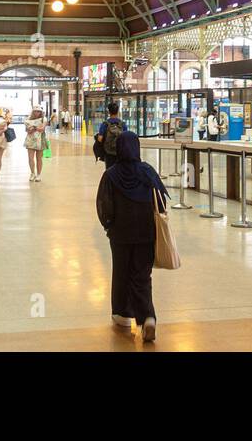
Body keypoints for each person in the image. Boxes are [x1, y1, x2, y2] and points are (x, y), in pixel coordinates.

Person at [96, 131, 168, 343]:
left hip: (120, 234)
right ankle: (148, 317)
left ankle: (122, 314)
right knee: (142, 275)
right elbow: (161, 202)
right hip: (146, 232)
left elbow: (103, 206)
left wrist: (109, 225)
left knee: (121, 271)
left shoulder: (111, 174)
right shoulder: (147, 172)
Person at [97, 101, 124, 170]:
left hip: (108, 152)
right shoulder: (122, 124)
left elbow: (100, 138)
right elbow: (126, 138)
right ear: (118, 112)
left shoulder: (105, 124)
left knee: (109, 170)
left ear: (109, 112)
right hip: (120, 152)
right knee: (119, 170)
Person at [24, 107, 47, 182]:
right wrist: (34, 128)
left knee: (39, 158)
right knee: (30, 158)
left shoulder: (44, 119)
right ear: (33, 112)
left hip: (40, 140)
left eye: (39, 111)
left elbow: (42, 129)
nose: (37, 113)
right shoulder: (28, 119)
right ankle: (32, 173)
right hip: (30, 140)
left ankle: (39, 175)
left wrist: (33, 127)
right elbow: (27, 130)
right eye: (35, 111)